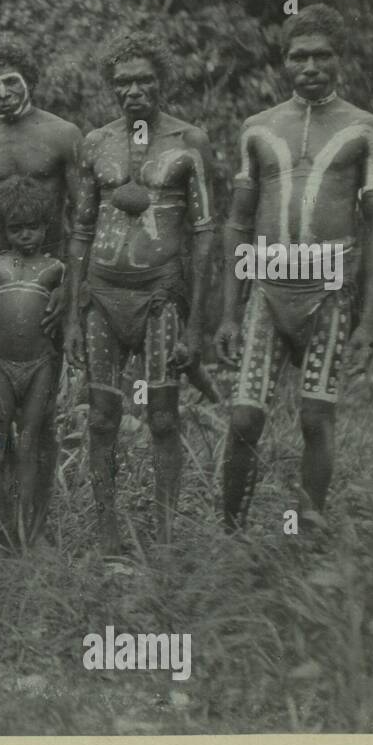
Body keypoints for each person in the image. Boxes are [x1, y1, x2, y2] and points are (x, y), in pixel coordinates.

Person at [214, 5, 373, 529]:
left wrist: (372, 319)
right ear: (284, 62)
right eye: (299, 56)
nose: (310, 66)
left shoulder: (366, 128)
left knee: (317, 417)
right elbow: (237, 223)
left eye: (322, 55)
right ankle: (231, 533)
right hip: (267, 290)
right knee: (245, 416)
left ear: (339, 60)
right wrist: (229, 312)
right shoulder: (258, 128)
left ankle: (307, 529)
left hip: (329, 292)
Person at [61, 33, 215, 557]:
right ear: (112, 88)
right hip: (103, 296)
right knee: (101, 417)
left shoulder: (189, 141)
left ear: (161, 82)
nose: (133, 91)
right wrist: (73, 310)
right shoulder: (95, 142)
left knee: (164, 417)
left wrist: (196, 327)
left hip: (160, 298)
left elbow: (205, 232)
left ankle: (166, 537)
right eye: (123, 83)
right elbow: (81, 227)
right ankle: (107, 536)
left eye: (144, 80)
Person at [0, 36, 81, 347]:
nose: (2, 93)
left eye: (10, 81)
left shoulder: (63, 135)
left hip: (50, 269)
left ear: (29, 82)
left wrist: (72, 288)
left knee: (46, 369)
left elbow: (84, 220)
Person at [0, 178, 67, 549]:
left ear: (46, 225)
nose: (26, 236)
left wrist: (67, 290)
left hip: (41, 366)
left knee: (29, 446)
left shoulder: (55, 269)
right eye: (16, 228)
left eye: (33, 227)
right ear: (3, 229)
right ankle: (0, 530)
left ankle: (28, 534)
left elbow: (72, 301)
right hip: (0, 368)